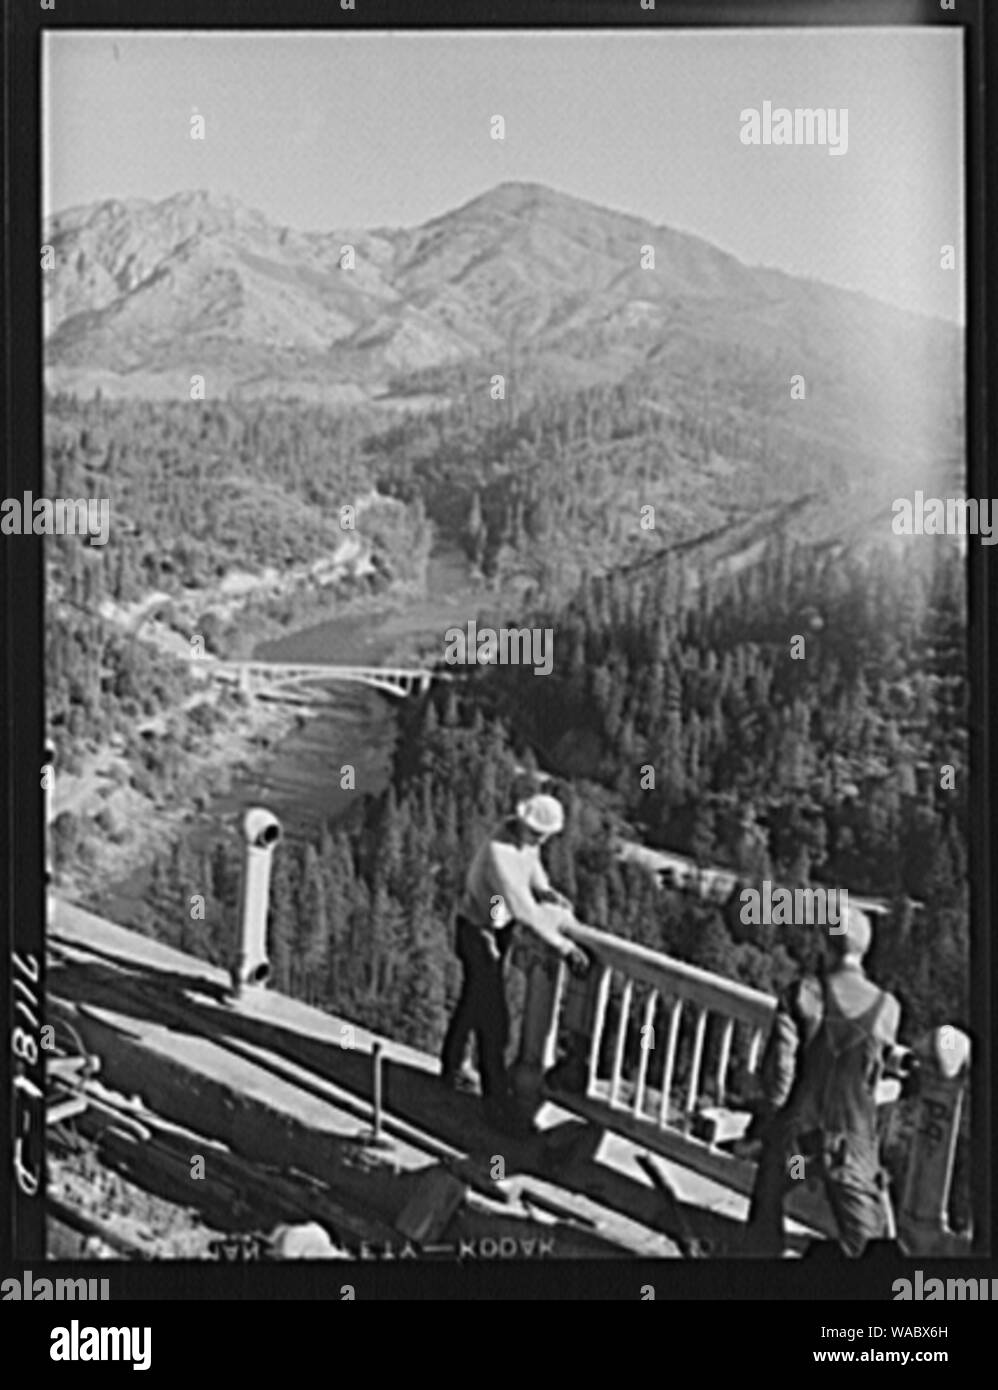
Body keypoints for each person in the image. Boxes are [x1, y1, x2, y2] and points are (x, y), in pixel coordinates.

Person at [742, 904, 902, 1257]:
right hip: (851, 1151)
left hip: (802, 1147)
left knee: (771, 1196)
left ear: (827, 946)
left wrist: (769, 1123)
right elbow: (873, 1073)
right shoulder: (887, 1008)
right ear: (864, 950)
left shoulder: (802, 994)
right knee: (866, 1243)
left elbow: (779, 1074)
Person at [440, 793, 589, 1134]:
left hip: (493, 930)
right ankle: (496, 1100)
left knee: (474, 1003)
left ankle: (451, 1067)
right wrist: (563, 946)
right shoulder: (499, 852)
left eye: (544, 835)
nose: (540, 839)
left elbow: (532, 869)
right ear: (524, 824)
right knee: (495, 1020)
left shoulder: (521, 840)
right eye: (537, 833)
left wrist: (546, 890)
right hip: (477, 932)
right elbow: (522, 908)